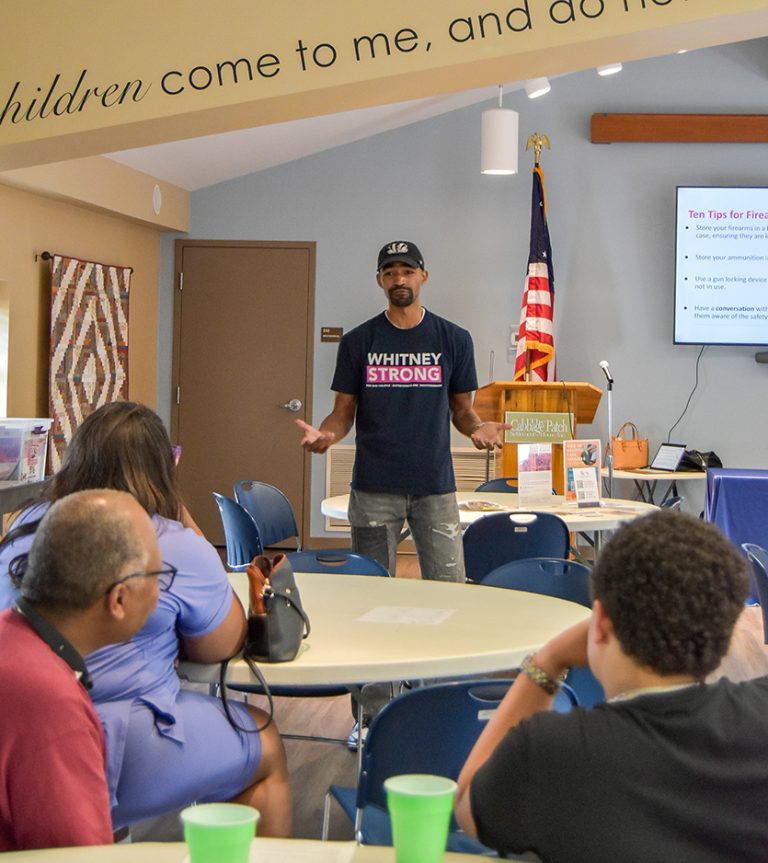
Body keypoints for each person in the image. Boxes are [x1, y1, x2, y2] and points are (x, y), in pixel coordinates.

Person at [0, 401, 291, 836]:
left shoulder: (24, 524)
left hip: (15, 731)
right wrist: (180, 516)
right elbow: (222, 644)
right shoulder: (162, 541)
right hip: (117, 734)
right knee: (264, 744)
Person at [455, 509, 768, 863]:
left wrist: (547, 661)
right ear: (724, 632)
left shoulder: (548, 751)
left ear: (600, 621)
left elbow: (468, 808)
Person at [298, 240, 508, 582]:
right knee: (372, 586)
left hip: (434, 486)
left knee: (449, 586)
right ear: (379, 280)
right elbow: (343, 411)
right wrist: (327, 434)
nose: (399, 280)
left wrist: (476, 427)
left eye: (408, 272)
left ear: (423, 276)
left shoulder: (454, 339)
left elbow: (462, 409)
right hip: (373, 488)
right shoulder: (358, 342)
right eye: (390, 273)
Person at [0, 488, 162, 850]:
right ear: (119, 599)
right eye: (158, 576)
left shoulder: (11, 640)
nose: (159, 591)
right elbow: (79, 856)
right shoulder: (49, 703)